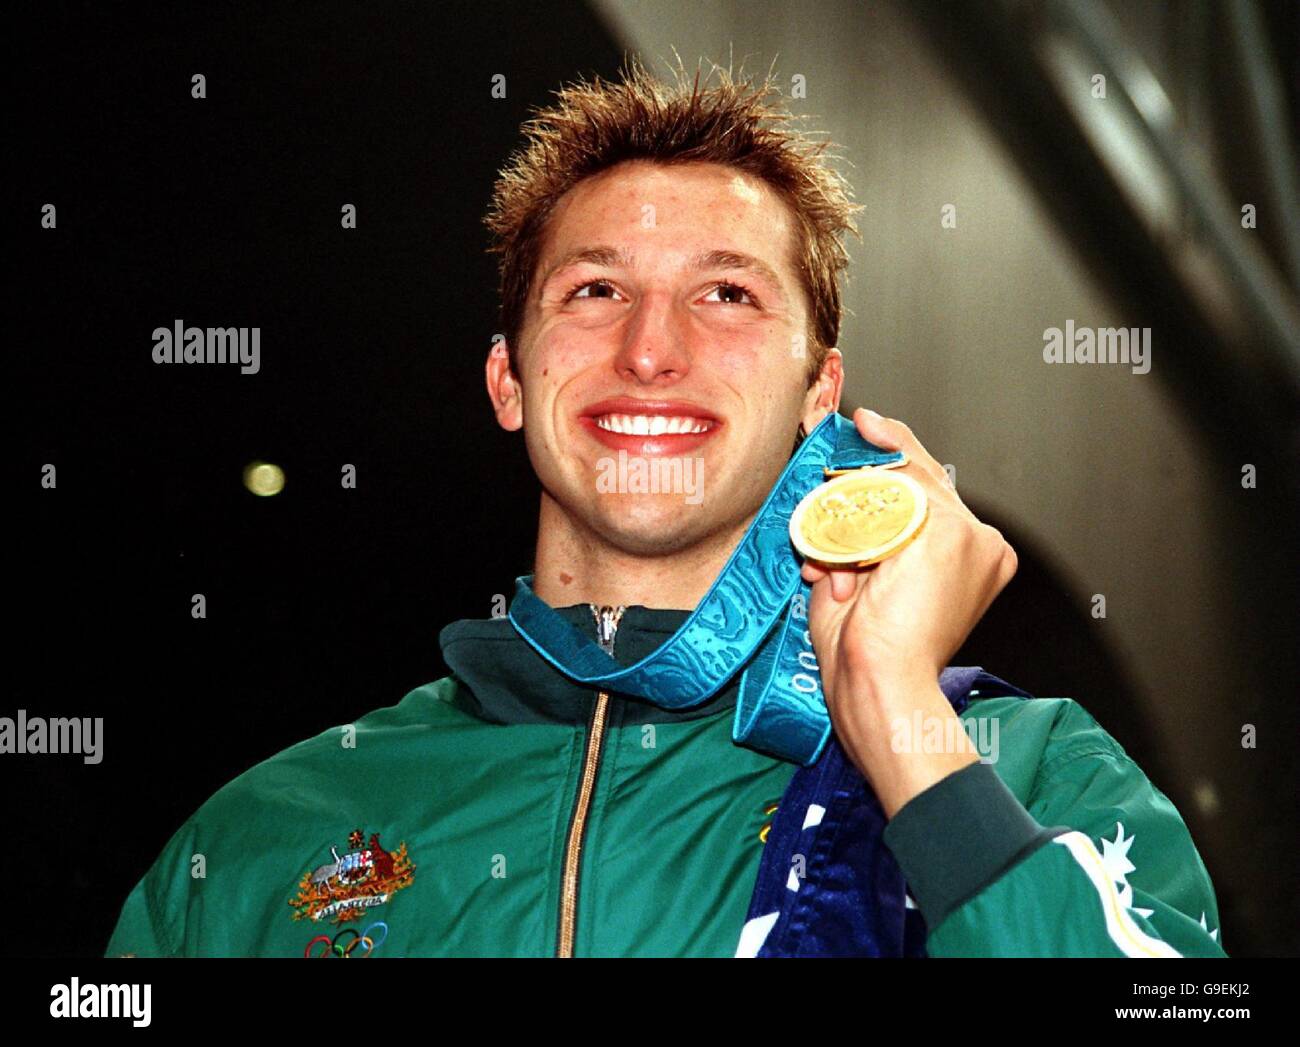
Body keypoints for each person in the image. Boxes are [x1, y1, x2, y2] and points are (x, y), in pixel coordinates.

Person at [105, 55, 1226, 958]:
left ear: (818, 392)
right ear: (508, 381)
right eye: (595, 291)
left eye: (726, 294)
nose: (650, 351)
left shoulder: (1025, 773)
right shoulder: (262, 836)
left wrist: (895, 721)